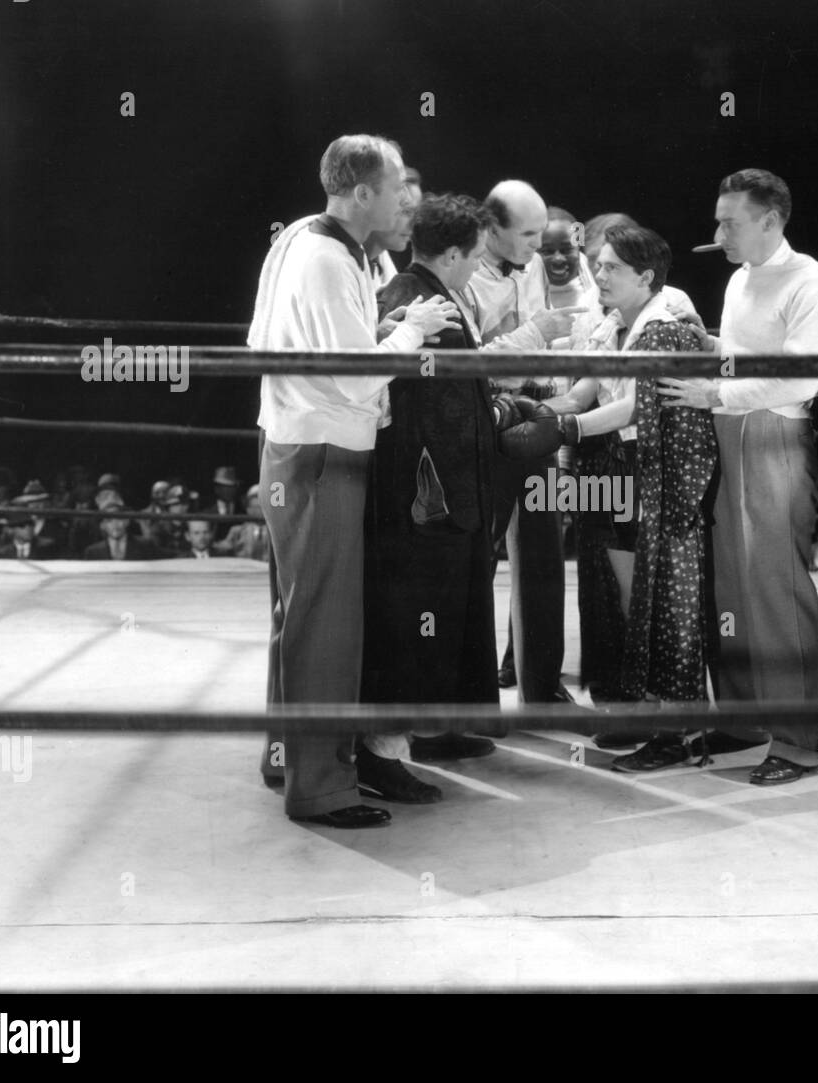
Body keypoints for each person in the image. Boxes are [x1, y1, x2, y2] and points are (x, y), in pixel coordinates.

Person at [249, 132, 460, 829]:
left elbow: (270, 339)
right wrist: (412, 330)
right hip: (323, 449)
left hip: (293, 440)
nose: (407, 196)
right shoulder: (329, 258)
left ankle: (288, 754)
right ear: (364, 191)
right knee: (327, 625)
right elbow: (352, 371)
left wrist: (388, 323)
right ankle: (320, 788)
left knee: (300, 613)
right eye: (398, 183)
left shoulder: (302, 242)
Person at [366, 193, 566, 790]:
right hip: (433, 496)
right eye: (477, 250)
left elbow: (455, 391)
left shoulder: (430, 292)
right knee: (420, 616)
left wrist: (498, 409)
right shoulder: (417, 301)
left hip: (448, 490)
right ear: (453, 252)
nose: (483, 259)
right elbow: (420, 405)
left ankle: (432, 731)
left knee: (447, 612)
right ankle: (389, 753)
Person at [659, 168, 818, 784]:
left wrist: (714, 391)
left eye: (729, 222)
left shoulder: (812, 282)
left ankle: (797, 741)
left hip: (773, 434)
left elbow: (801, 378)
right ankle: (742, 718)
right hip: (729, 428)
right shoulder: (740, 279)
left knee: (775, 588)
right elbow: (740, 355)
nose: (717, 234)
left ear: (771, 220)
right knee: (732, 585)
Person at [548, 225, 717, 771]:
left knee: (667, 604)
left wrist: (567, 431)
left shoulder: (663, 330)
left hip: (664, 476)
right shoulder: (612, 327)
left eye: (612, 267)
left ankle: (678, 734)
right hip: (627, 471)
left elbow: (635, 409)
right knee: (630, 603)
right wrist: (537, 413)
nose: (599, 275)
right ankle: (651, 721)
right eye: (597, 265)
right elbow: (585, 392)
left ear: (646, 276)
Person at [461, 179, 586, 703]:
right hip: (486, 420)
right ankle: (471, 691)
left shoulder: (533, 266)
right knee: (477, 557)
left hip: (536, 415)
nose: (539, 245)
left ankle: (540, 682)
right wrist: (536, 332)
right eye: (530, 234)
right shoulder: (462, 273)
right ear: (492, 229)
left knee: (542, 555)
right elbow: (471, 357)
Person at [83, 496, 164, 560]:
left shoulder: (145, 546)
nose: (115, 524)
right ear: (102, 526)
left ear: (127, 521)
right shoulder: (92, 552)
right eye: (109, 520)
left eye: (119, 519)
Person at [215, 484, 270, 561]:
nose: (258, 511)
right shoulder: (237, 531)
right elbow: (224, 548)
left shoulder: (275, 532)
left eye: (261, 507)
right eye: (254, 507)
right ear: (247, 509)